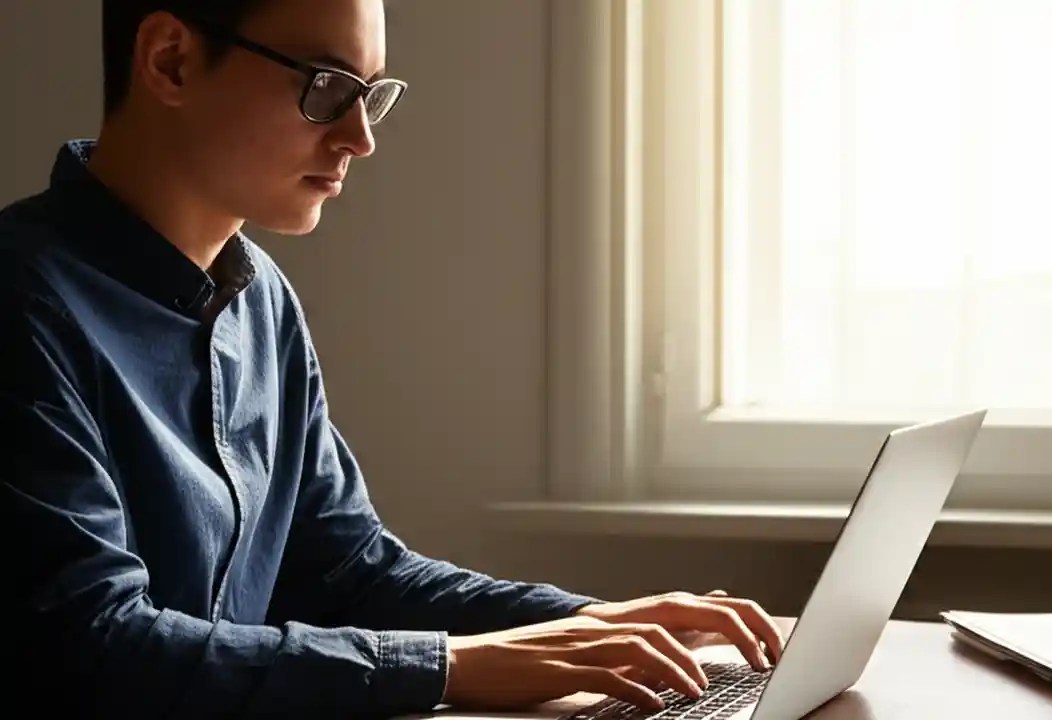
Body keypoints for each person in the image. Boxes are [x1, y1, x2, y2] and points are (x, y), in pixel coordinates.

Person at [0, 0, 784, 716]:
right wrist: (448, 666)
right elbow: (90, 646)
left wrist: (587, 621)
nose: (359, 138)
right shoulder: (19, 301)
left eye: (370, 95)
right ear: (169, 60)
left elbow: (349, 572)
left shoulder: (259, 297)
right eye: (326, 86)